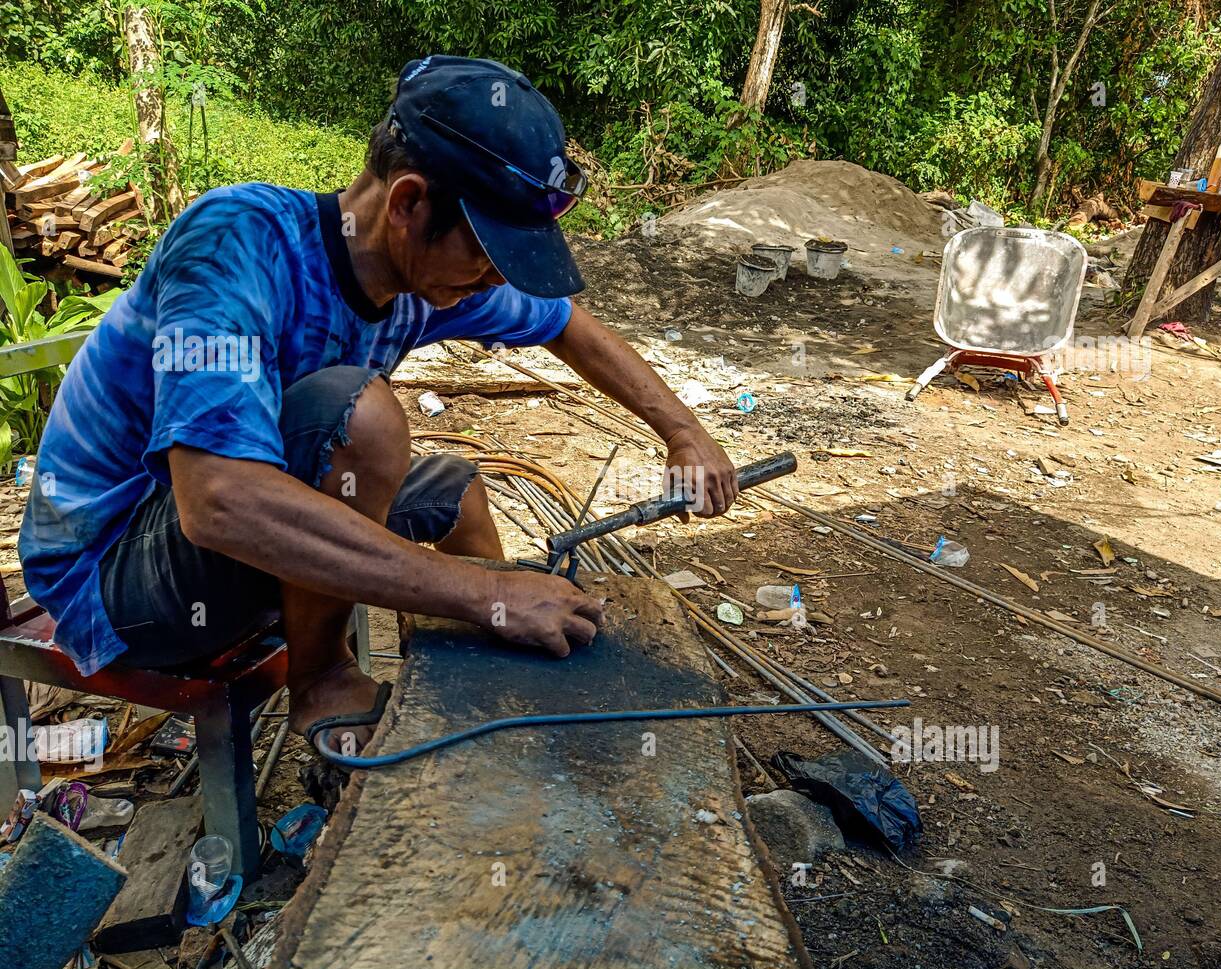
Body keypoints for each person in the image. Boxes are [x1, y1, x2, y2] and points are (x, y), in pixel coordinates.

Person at [19, 55, 737, 744]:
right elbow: (216, 500)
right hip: (115, 573)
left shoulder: (421, 277)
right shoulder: (234, 243)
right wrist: (480, 593)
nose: (492, 281)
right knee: (361, 415)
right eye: (486, 257)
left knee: (458, 493)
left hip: (207, 534)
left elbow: (569, 326)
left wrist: (685, 433)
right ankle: (323, 681)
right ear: (408, 202)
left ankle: (490, 687)